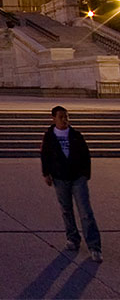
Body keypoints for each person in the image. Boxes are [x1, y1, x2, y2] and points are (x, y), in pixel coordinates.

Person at [40, 105, 103, 263]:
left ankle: (94, 247)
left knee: (86, 211)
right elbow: (45, 155)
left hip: (77, 178)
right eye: (61, 117)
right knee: (66, 210)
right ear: (53, 118)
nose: (64, 120)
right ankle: (73, 239)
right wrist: (46, 173)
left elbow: (85, 155)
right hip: (60, 178)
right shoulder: (49, 136)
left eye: (66, 116)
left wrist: (85, 174)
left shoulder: (76, 135)